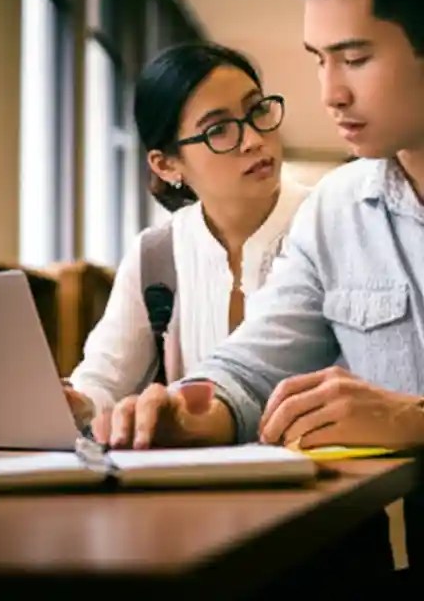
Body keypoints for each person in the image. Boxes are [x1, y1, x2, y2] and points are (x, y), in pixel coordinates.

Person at [90, 0, 424, 590]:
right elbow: (248, 375)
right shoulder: (339, 210)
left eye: (354, 57)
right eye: (318, 60)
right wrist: (181, 411)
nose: (329, 93)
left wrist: (415, 418)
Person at [63, 43, 309, 429]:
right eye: (219, 129)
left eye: (257, 110)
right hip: (201, 477)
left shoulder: (328, 225)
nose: (253, 140)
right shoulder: (157, 254)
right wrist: (75, 403)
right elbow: (104, 378)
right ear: (166, 164)